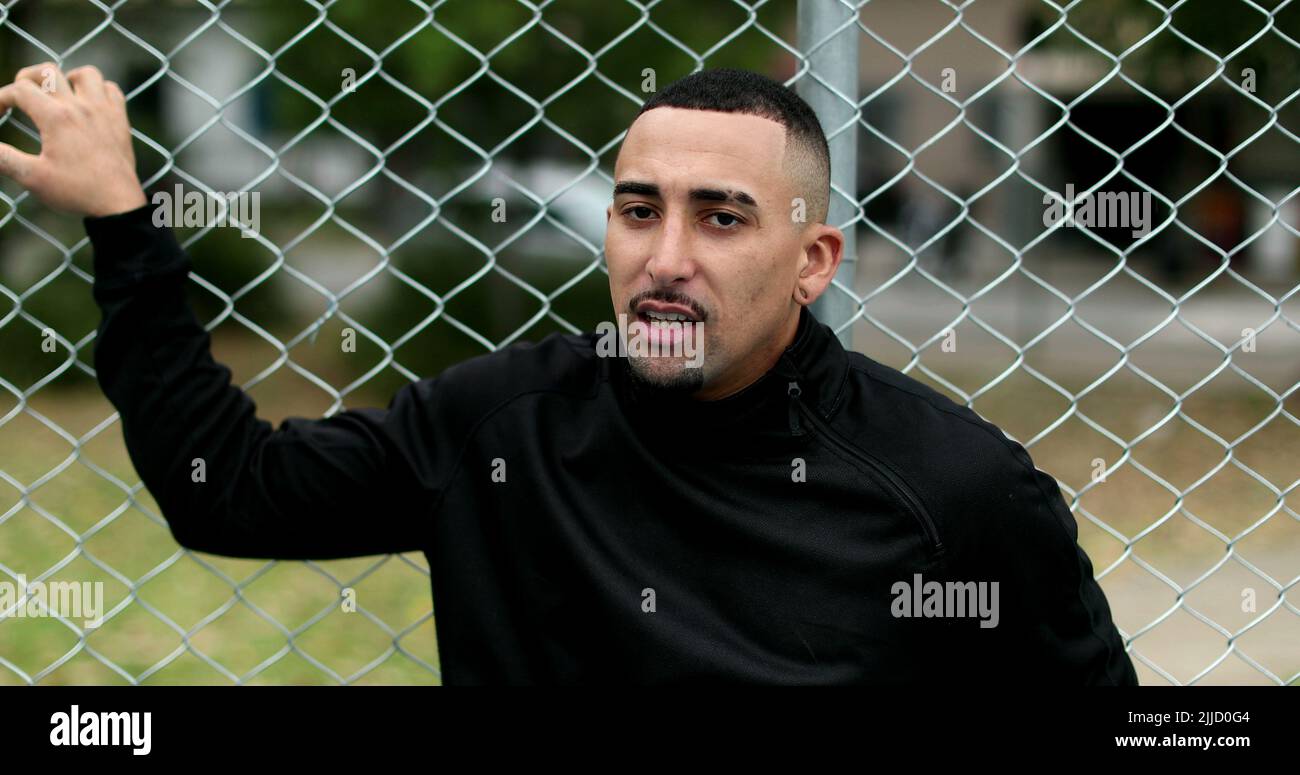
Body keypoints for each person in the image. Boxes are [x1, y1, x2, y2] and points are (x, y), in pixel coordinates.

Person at [0, 64, 1138, 685]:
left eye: (722, 218)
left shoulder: (952, 488)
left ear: (812, 262)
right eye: (638, 211)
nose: (665, 258)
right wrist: (122, 225)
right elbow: (223, 488)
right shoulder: (504, 426)